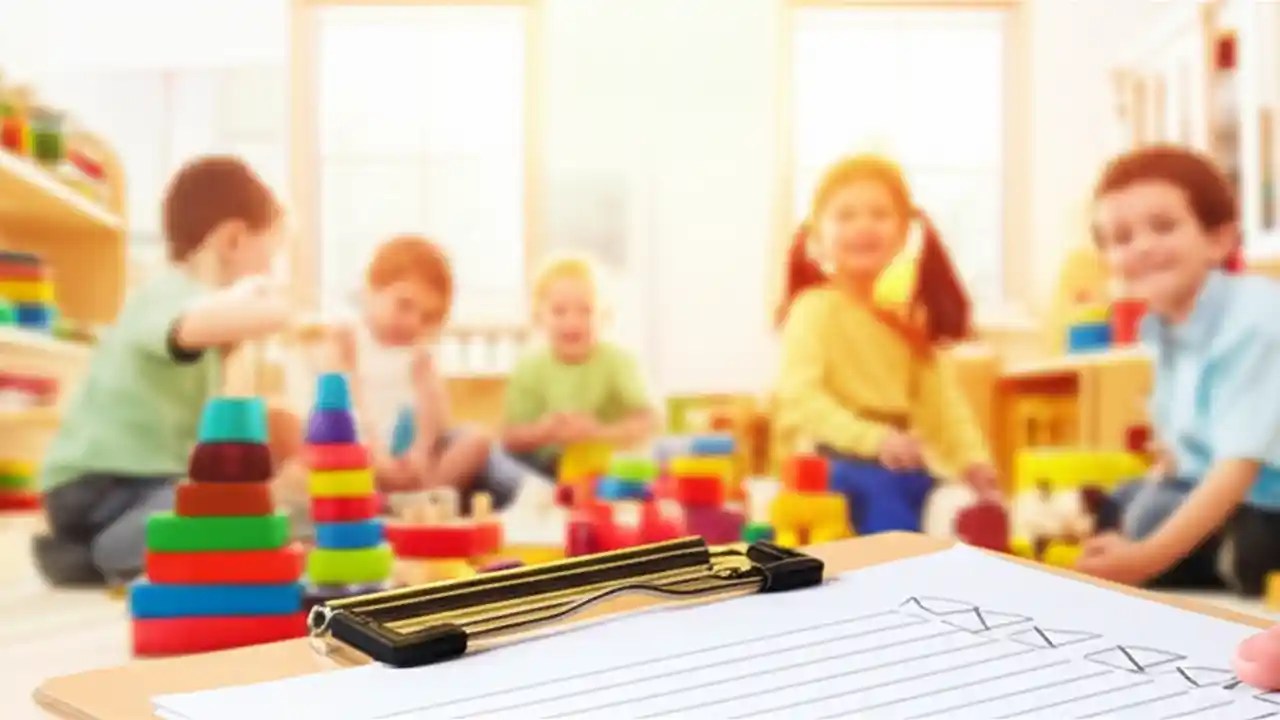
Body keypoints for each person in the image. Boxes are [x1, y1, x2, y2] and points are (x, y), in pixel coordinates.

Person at [32, 156, 293, 586]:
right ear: (232, 240)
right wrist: (278, 310)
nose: (269, 272)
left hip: (133, 487)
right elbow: (194, 325)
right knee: (218, 516)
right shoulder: (172, 292)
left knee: (227, 505)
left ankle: (89, 552)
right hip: (99, 483)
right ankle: (110, 552)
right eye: (269, 255)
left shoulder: (187, 303)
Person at [1076, 145, 1280, 595]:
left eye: (1164, 227)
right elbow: (1180, 455)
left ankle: (1230, 563)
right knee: (1127, 499)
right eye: (1122, 238)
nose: (1143, 247)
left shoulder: (1257, 319)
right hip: (1223, 492)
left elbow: (1236, 469)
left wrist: (1143, 557)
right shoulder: (1166, 330)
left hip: (1265, 504)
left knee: (1152, 518)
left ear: (1219, 239)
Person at [774, 154, 996, 534]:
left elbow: (944, 405)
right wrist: (874, 440)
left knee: (959, 508)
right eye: (845, 216)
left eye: (879, 214)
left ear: (904, 232)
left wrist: (973, 461)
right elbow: (802, 399)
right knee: (888, 508)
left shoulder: (907, 321)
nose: (863, 225)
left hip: (898, 461)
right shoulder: (813, 309)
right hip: (829, 461)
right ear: (816, 239)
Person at [329, 235, 523, 510]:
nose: (413, 322)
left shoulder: (419, 355)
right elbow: (347, 404)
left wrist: (419, 453)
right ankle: (393, 503)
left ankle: (424, 500)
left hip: (413, 461)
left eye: (427, 317)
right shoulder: (349, 339)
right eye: (405, 305)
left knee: (477, 440)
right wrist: (378, 457)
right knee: (322, 449)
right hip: (358, 448)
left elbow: (436, 421)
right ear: (371, 290)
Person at [502, 254, 656, 479]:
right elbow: (510, 437)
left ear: (605, 315)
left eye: (586, 311)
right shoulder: (529, 366)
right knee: (500, 460)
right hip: (546, 467)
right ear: (539, 317)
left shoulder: (618, 360)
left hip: (607, 466)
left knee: (649, 458)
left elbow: (649, 419)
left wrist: (598, 432)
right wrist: (544, 431)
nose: (572, 322)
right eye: (559, 311)